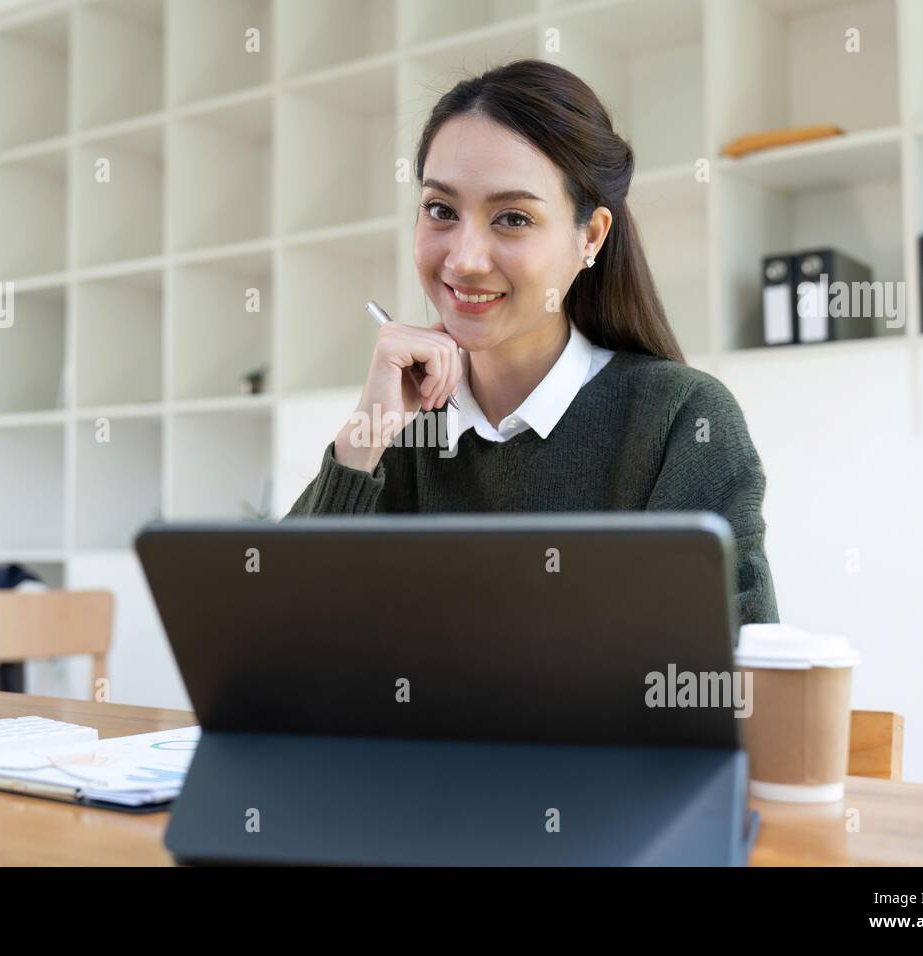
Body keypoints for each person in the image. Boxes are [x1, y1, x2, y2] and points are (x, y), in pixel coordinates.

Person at [285, 59, 778, 625]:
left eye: (513, 218)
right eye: (440, 210)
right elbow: (268, 646)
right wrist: (364, 436)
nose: (464, 259)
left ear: (589, 236)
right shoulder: (402, 428)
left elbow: (737, 682)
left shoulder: (679, 420)